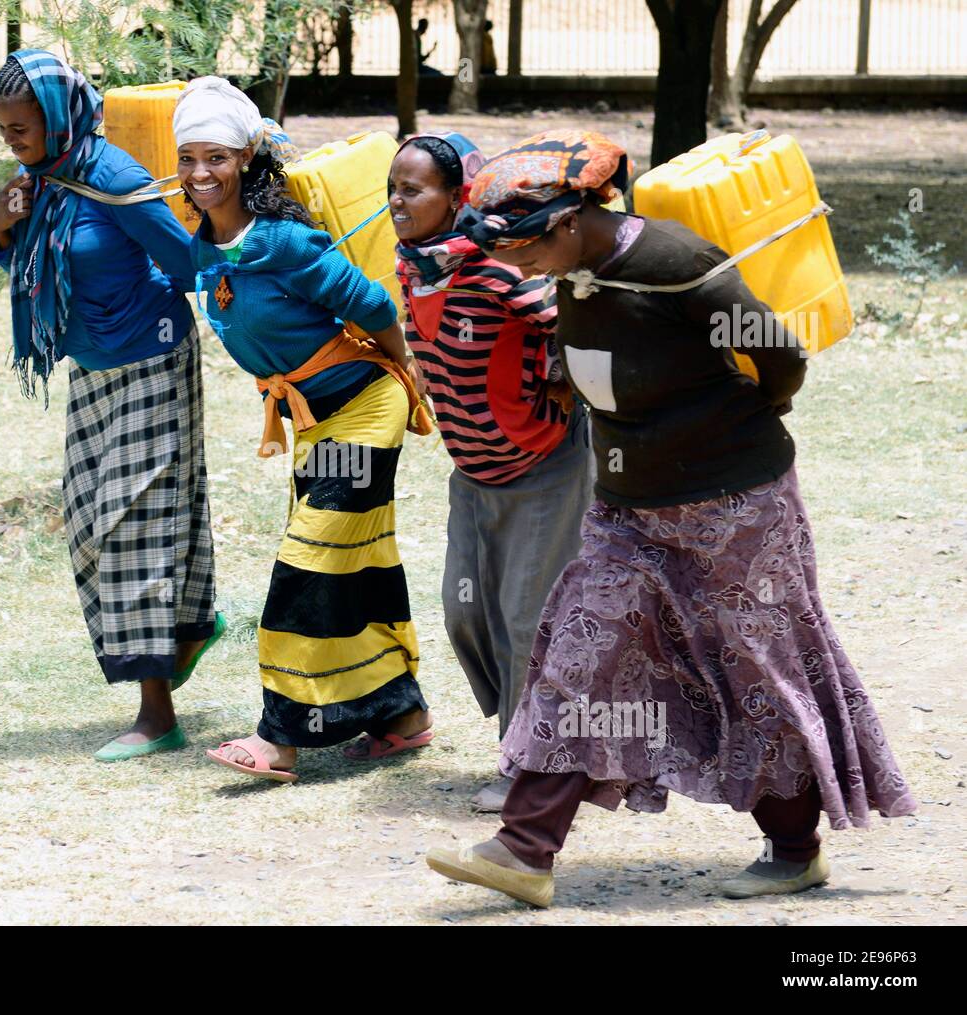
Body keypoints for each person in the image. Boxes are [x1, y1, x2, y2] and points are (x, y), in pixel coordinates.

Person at [425, 130, 915, 906]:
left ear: (568, 220)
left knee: (751, 669)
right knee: (580, 654)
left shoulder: (675, 265)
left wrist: (739, 421)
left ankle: (794, 847)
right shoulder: (575, 270)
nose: (511, 263)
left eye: (521, 246)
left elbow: (777, 354)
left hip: (734, 506)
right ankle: (523, 849)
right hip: (625, 510)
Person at [172, 76, 434, 783]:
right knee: (362, 563)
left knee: (306, 566)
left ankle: (280, 738)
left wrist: (412, 378)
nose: (202, 174)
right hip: (315, 420)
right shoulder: (207, 243)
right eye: (189, 159)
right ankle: (401, 715)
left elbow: (372, 300)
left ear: (249, 159)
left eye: (217, 158)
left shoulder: (282, 240)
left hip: (363, 406)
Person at [0, 50, 226, 763]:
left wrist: (141, 289)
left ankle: (157, 713)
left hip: (151, 359)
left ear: (55, 118)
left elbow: (187, 265)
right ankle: (190, 626)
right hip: (92, 371)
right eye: (3, 130)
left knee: (131, 525)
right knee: (88, 527)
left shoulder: (112, 175)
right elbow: (28, 259)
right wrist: (1, 226)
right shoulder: (43, 176)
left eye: (21, 128)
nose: (12, 141)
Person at [389, 133, 593, 813]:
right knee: (465, 609)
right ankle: (543, 732)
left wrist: (564, 375)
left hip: (545, 468)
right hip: (472, 473)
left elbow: (571, 319)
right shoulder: (414, 268)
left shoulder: (502, 269)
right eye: (393, 186)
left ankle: (528, 765)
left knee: (526, 619)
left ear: (457, 198)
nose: (396, 200)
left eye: (412, 189)